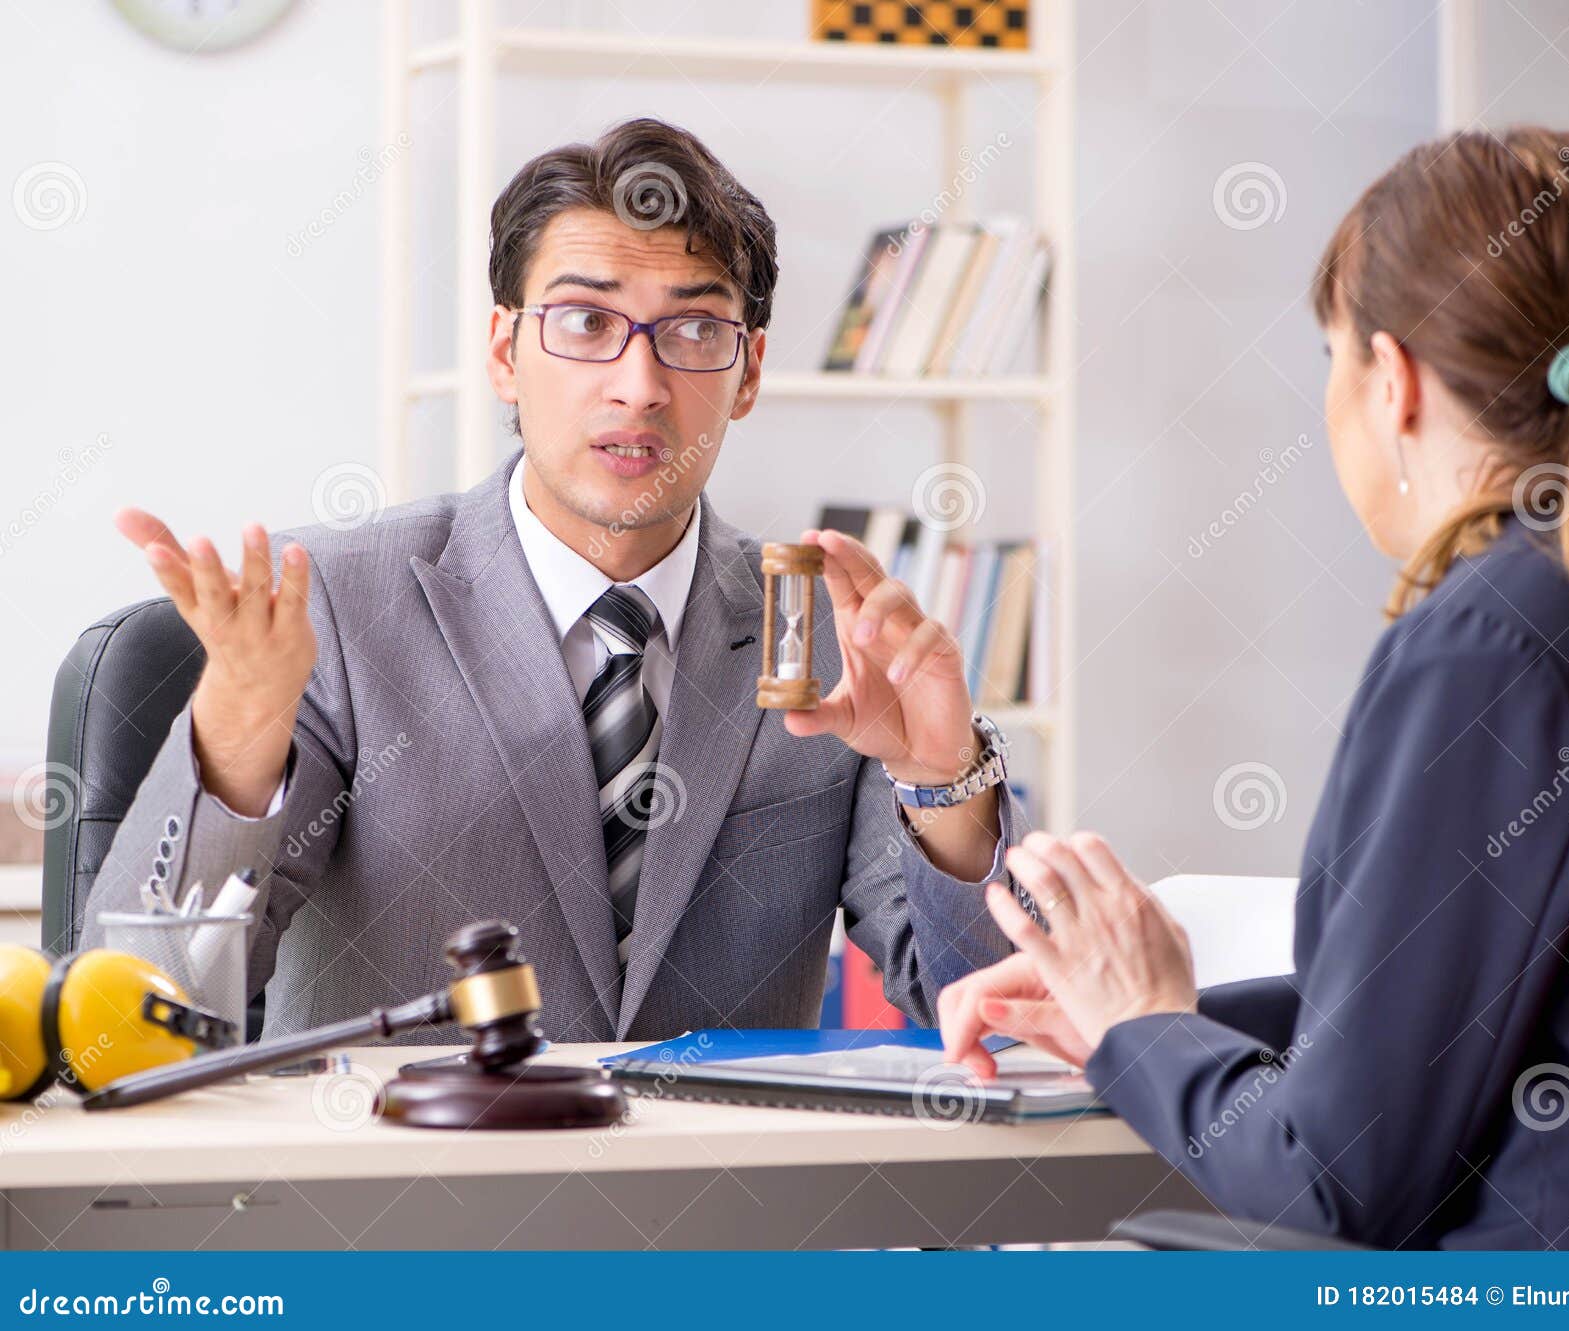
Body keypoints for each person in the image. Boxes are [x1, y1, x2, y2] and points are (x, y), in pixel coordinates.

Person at [80, 118, 1023, 1044]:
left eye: (696, 329)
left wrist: (945, 779)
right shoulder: (334, 603)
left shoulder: (824, 634)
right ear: (505, 353)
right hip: (404, 1150)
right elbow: (141, 1012)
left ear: (747, 373)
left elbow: (996, 1017)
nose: (639, 384)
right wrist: (237, 743)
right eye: (586, 322)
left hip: (725, 1155)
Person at [939, 127, 1569, 1249]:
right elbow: (1468, 1022)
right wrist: (1138, 1022)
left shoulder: (1485, 640)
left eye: (1331, 357)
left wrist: (1147, 1026)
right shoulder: (1552, 607)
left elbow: (1332, 1184)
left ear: (1391, 382)